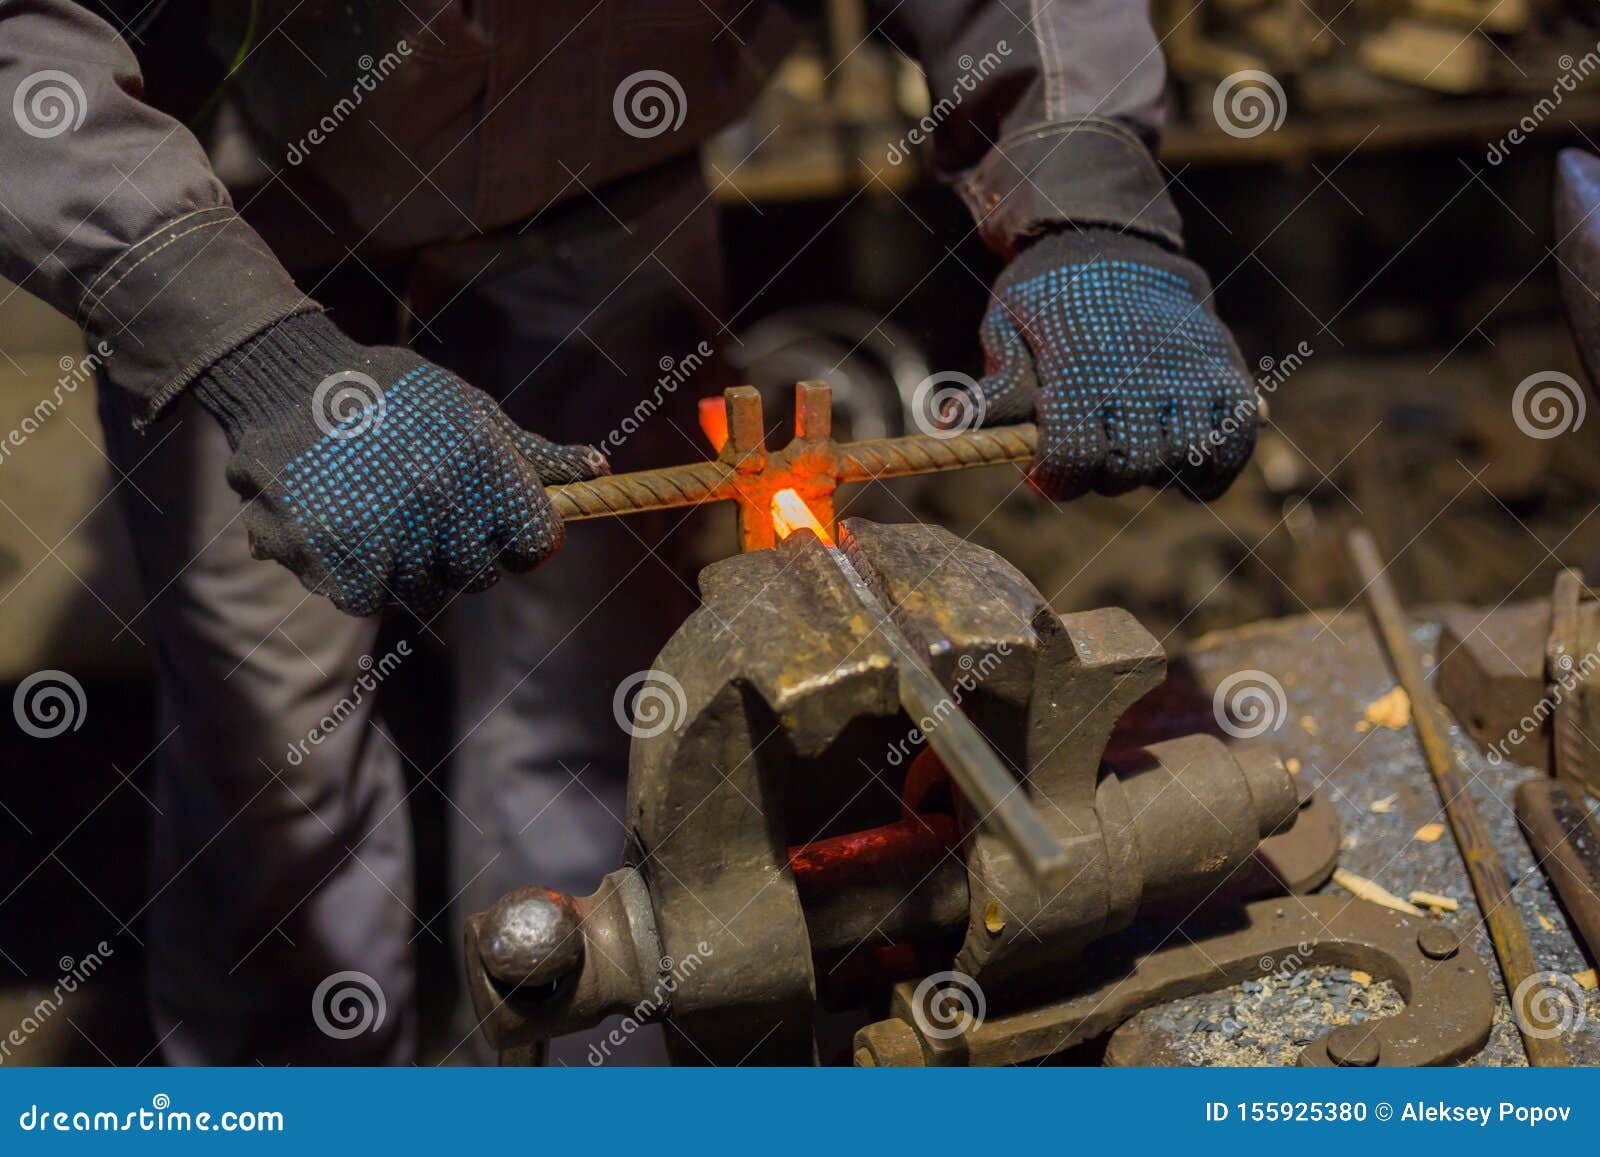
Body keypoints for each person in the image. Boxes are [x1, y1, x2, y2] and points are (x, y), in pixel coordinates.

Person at [0, 0, 1257, 1063]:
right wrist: (236, 339)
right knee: (266, 745)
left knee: (601, 719)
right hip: (232, 201)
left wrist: (1081, 192)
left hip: (607, 173)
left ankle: (582, 1062)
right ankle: (275, 1090)